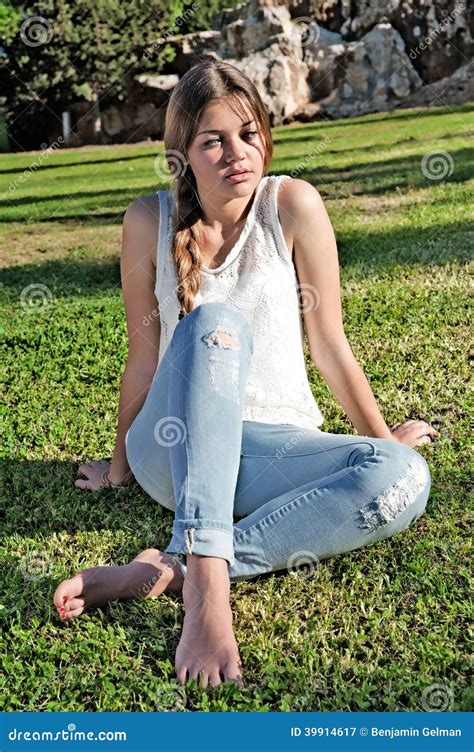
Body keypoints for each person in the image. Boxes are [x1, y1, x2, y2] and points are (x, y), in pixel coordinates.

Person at [53, 59, 439, 690]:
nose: (238, 153)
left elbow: (330, 344)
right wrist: (119, 468)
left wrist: (380, 439)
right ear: (182, 156)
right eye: (214, 140)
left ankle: (175, 567)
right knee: (214, 324)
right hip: (171, 449)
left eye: (249, 132)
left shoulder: (292, 205)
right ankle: (208, 590)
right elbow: (144, 360)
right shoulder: (148, 221)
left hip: (269, 450)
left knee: (404, 478)